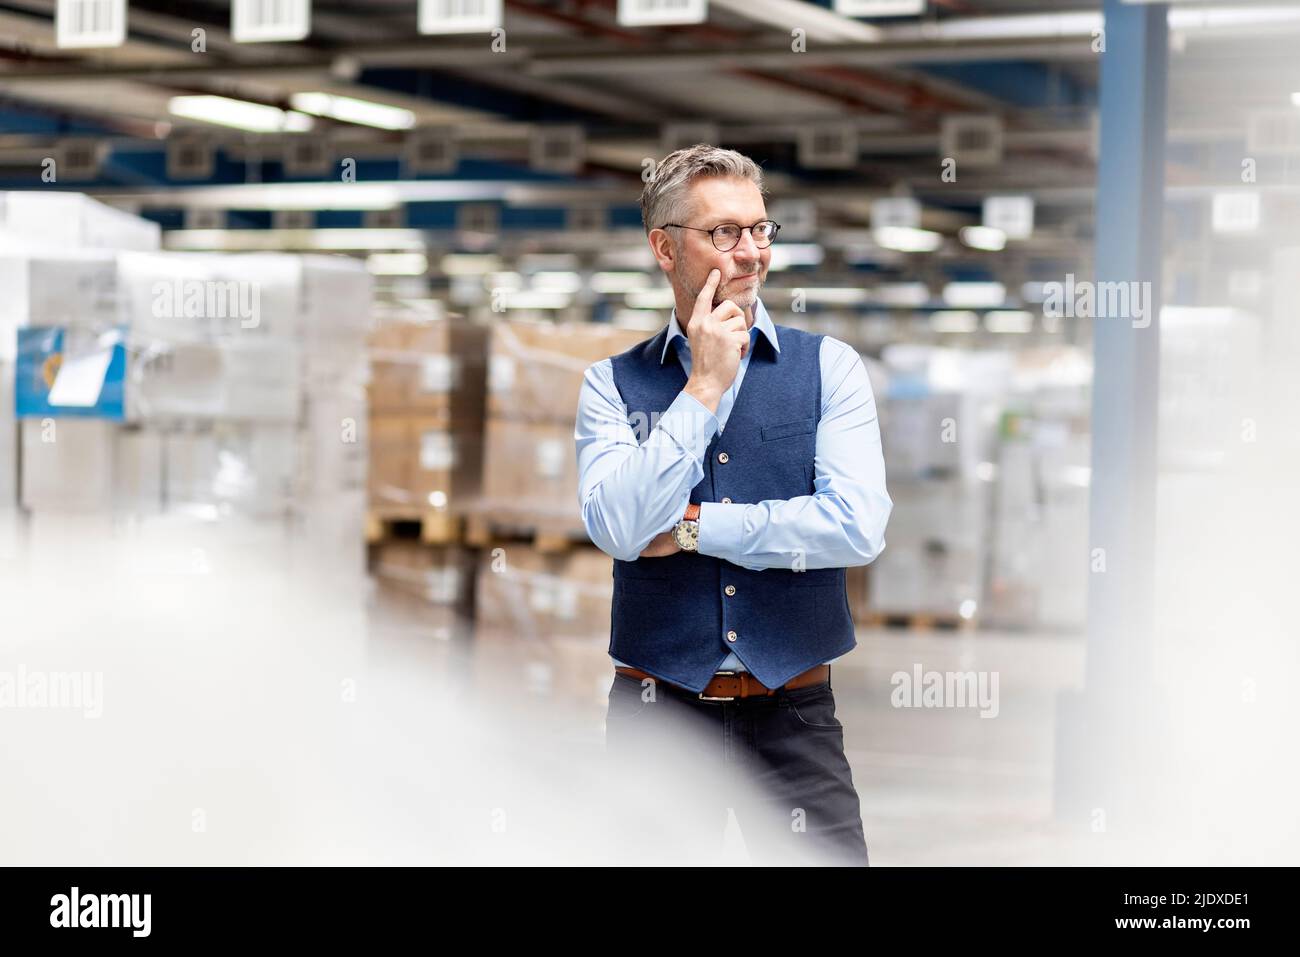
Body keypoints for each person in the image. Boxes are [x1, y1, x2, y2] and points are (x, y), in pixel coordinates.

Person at [574, 144, 892, 865]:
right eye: (723, 232)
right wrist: (703, 389)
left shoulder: (829, 369)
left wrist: (691, 527)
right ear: (664, 247)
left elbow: (855, 524)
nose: (750, 252)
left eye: (759, 229)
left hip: (794, 711)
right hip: (657, 715)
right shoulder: (610, 385)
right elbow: (619, 527)